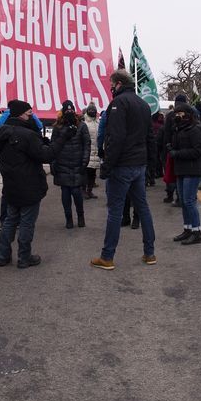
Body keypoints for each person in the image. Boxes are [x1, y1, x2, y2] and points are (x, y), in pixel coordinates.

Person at [91, 70, 157, 269]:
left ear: (118, 84)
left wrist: (107, 166)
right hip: (139, 164)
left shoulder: (118, 104)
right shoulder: (144, 105)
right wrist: (151, 165)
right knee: (143, 207)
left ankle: (107, 256)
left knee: (115, 211)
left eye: (112, 84)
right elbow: (150, 137)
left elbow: (115, 138)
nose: (110, 88)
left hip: (122, 165)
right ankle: (150, 253)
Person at [0, 99, 71, 268]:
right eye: (29, 113)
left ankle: (3, 255)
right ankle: (24, 257)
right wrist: (62, 138)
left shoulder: (1, 132)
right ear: (21, 114)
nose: (31, 116)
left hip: (10, 184)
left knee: (10, 220)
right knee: (27, 222)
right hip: (29, 184)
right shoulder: (27, 135)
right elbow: (47, 155)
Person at [166, 104, 201, 245]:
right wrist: (171, 146)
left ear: (188, 114)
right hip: (181, 170)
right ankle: (187, 229)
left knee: (189, 201)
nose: (177, 116)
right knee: (183, 201)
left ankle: (197, 231)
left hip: (192, 170)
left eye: (180, 113)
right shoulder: (178, 129)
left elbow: (198, 151)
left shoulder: (194, 130)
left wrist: (177, 153)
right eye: (176, 113)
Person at [51, 100, 91, 228]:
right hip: (62, 164)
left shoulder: (82, 126)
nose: (69, 112)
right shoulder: (57, 127)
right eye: (66, 110)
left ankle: (80, 216)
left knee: (76, 192)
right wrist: (53, 163)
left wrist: (85, 161)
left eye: (71, 109)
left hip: (77, 163)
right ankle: (68, 218)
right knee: (65, 193)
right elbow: (53, 146)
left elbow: (87, 145)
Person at [81, 103, 101, 199]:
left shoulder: (97, 122)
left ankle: (90, 191)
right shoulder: (84, 122)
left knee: (93, 174)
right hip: (87, 151)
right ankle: (83, 191)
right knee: (85, 173)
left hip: (95, 152)